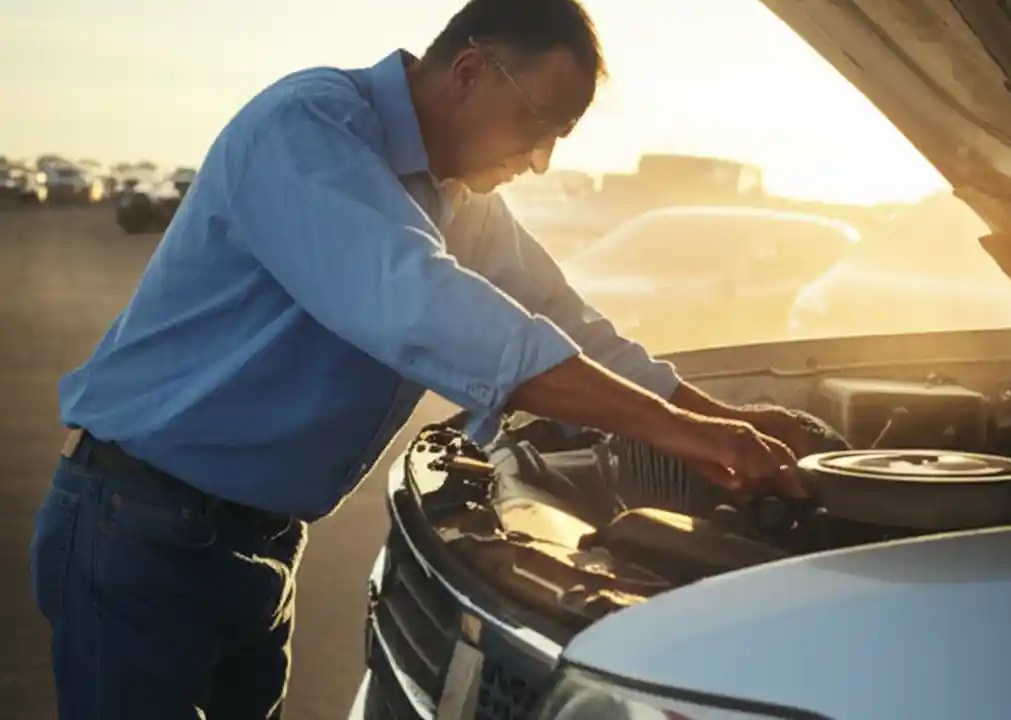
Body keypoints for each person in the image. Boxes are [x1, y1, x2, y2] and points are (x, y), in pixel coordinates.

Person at [28, 1, 831, 717]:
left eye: (561, 138)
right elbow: (423, 305)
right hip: (138, 532)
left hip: (257, 543)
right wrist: (676, 434)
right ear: (472, 72)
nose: (543, 160)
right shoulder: (308, 130)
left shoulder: (461, 201)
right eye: (538, 124)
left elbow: (566, 322)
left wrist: (721, 420)